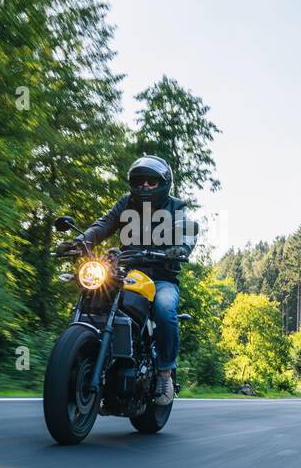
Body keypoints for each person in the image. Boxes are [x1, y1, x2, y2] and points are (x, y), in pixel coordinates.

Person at [56, 155, 197, 406]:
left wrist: (181, 248)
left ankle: (164, 372)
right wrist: (80, 241)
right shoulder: (126, 203)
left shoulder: (175, 207)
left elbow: (186, 230)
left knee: (165, 310)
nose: (144, 186)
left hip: (162, 277)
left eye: (151, 182)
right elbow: (104, 224)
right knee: (93, 292)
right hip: (126, 273)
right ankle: (80, 358)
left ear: (163, 184)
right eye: (139, 181)